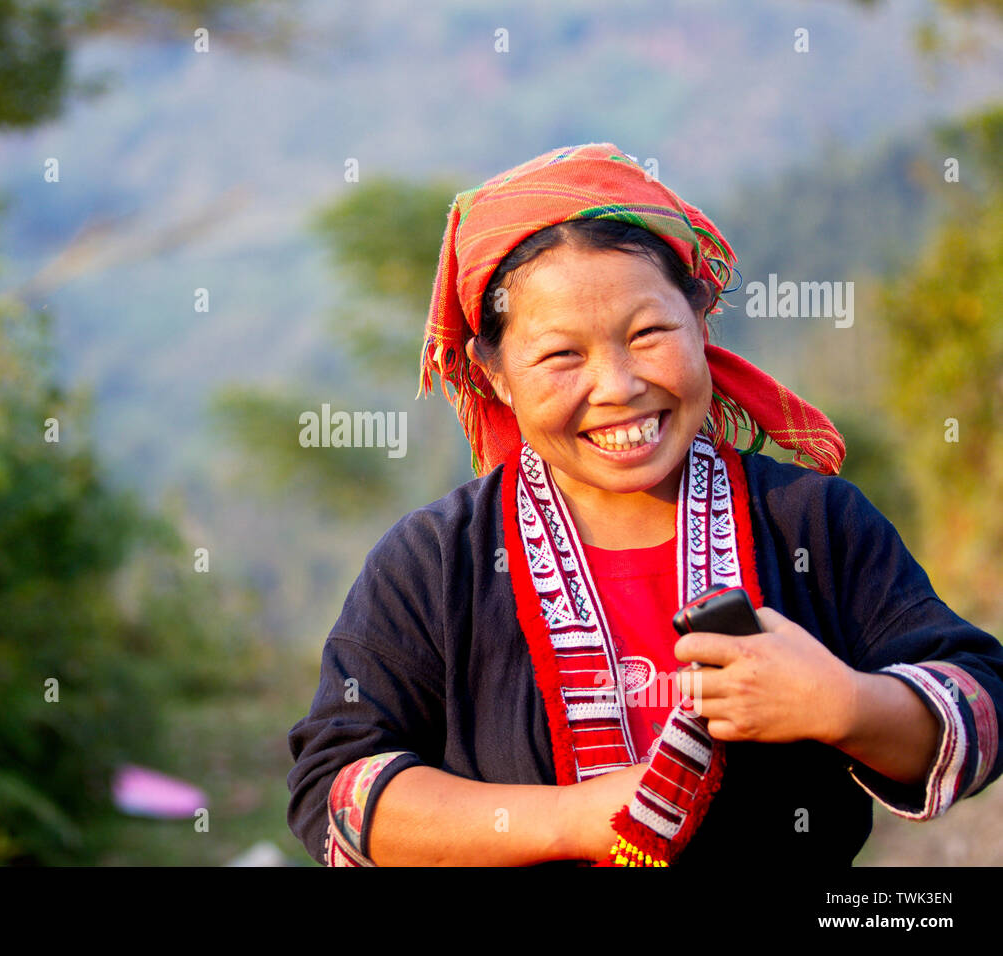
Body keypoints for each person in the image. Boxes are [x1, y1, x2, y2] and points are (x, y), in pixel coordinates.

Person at [286, 143, 1003, 867]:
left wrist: (845, 705)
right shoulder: (437, 564)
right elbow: (335, 792)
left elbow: (983, 705)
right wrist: (578, 818)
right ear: (495, 374)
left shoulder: (811, 523)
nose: (618, 386)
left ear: (700, 319)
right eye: (562, 356)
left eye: (648, 334)